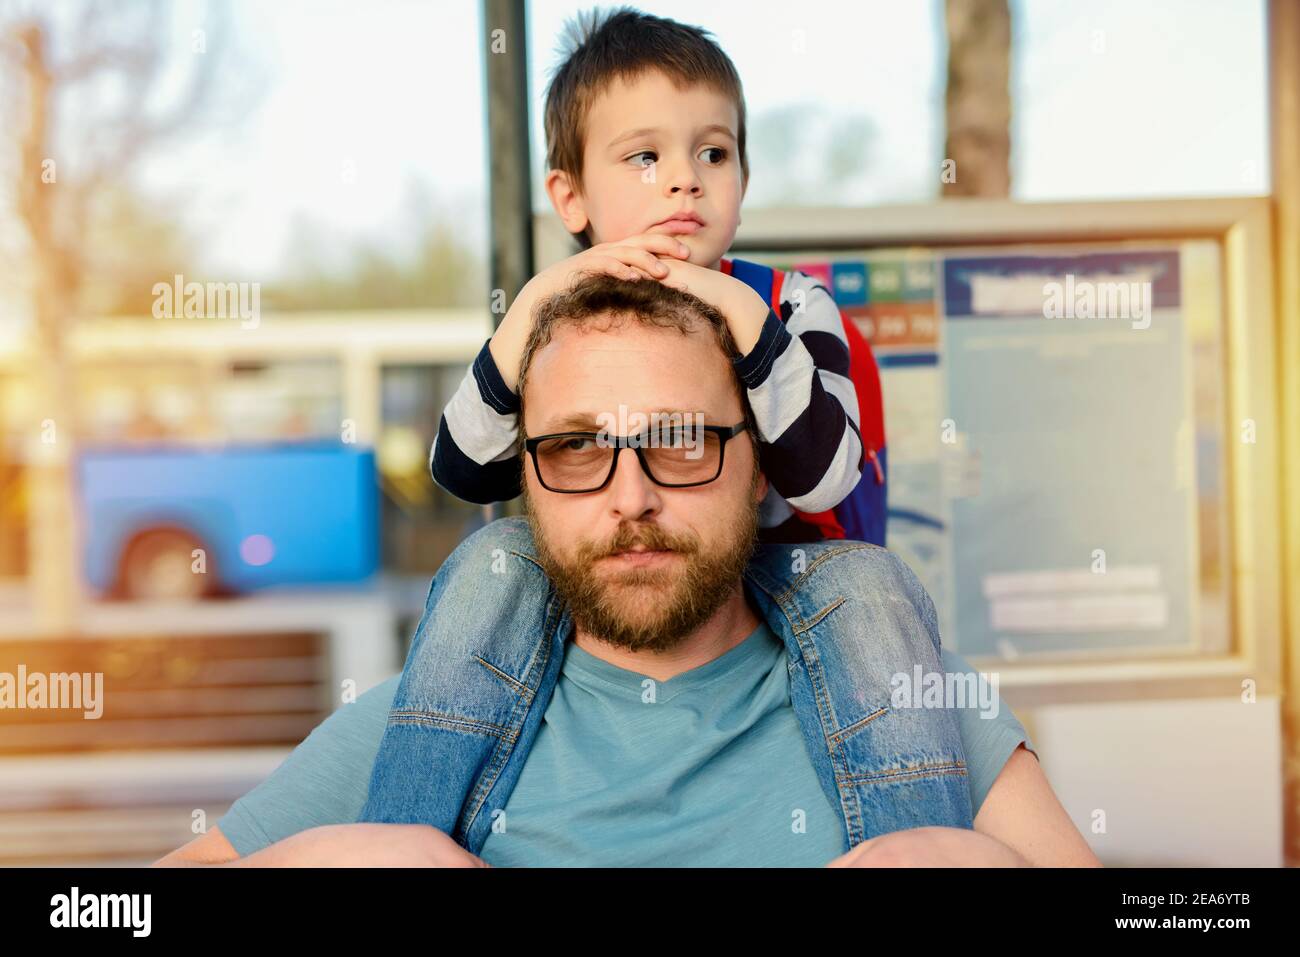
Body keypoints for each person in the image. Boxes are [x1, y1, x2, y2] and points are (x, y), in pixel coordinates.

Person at [156, 275, 1100, 867]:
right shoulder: (429, 717)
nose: (630, 496)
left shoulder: (909, 697)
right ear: (523, 471)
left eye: (683, 442)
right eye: (573, 447)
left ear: (761, 458)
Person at [432, 6, 873, 541]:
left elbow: (827, 481)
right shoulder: (553, 317)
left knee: (867, 582)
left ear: (744, 180)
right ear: (571, 199)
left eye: (713, 153)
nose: (685, 178)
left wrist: (739, 309)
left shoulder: (791, 303)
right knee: (490, 558)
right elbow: (464, 471)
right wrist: (532, 302)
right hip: (609, 556)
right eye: (645, 156)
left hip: (777, 573)